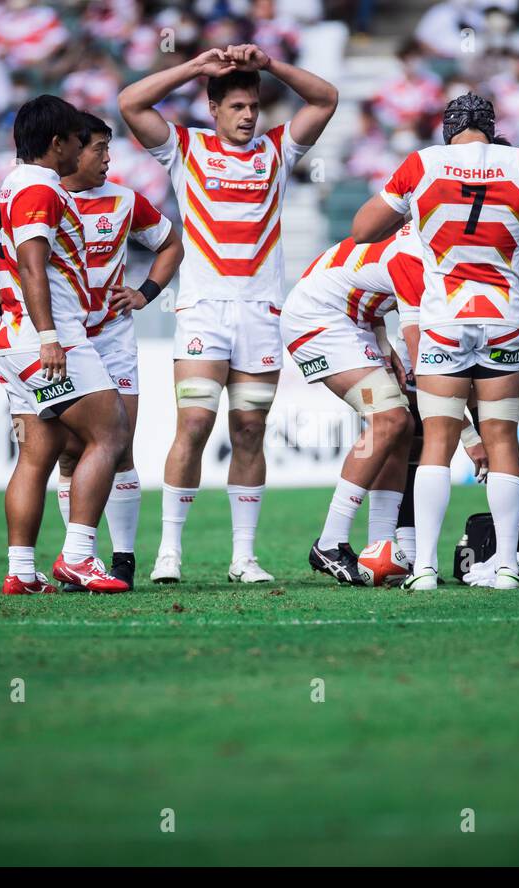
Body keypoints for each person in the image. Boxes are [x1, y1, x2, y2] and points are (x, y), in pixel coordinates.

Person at [119, 44, 338, 584]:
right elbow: (130, 103)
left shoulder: (278, 150)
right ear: (213, 108)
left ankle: (244, 557)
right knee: (193, 424)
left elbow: (326, 97)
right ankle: (168, 551)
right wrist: (195, 67)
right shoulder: (185, 149)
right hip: (202, 311)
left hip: (261, 312)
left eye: (253, 107)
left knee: (248, 429)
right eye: (236, 107)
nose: (246, 116)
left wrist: (268, 66)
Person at [351, 92, 519, 590]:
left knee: (438, 441)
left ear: (447, 130)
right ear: (491, 130)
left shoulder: (423, 164)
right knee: (500, 439)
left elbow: (363, 229)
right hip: (502, 319)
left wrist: (411, 207)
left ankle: (424, 567)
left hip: (444, 320)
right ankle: (510, 566)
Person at [0, 95, 132, 594]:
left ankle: (21, 570)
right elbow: (30, 262)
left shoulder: (11, 188)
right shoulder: (40, 189)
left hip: (14, 341)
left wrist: (13, 317)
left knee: (35, 458)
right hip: (53, 338)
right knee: (109, 433)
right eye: (75, 140)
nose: (81, 149)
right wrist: (45, 335)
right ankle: (79, 557)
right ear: (56, 144)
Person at [55, 112, 183, 588]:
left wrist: (144, 293)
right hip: (64, 343)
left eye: (110, 148)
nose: (108, 158)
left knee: (119, 444)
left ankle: (123, 559)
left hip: (111, 339)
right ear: (70, 149)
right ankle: (78, 557)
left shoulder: (124, 201)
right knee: (70, 453)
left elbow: (172, 244)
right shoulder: (40, 200)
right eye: (99, 149)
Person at [280, 225, 420, 584]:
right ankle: (329, 542)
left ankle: (382, 547)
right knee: (389, 419)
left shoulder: (420, 242)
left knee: (401, 425)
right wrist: (468, 435)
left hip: (351, 319)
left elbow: (367, 294)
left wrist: (385, 348)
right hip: (318, 320)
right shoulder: (417, 256)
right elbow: (426, 359)